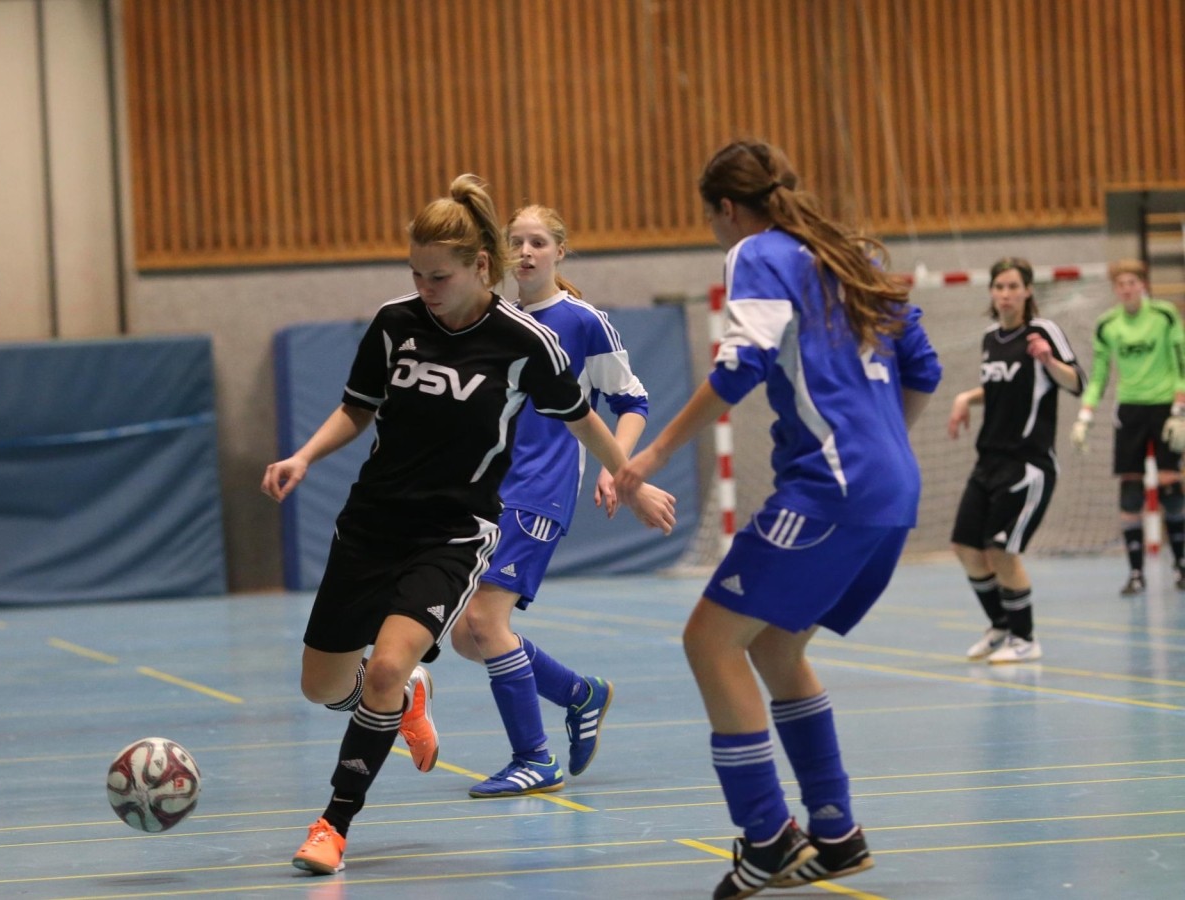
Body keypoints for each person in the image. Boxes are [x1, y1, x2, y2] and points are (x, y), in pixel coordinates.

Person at [262, 175, 677, 876]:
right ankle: (405, 699)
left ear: (480, 268)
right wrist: (303, 455)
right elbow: (358, 409)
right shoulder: (395, 323)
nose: (426, 287)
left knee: (390, 664)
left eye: (440, 276)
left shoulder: (527, 341)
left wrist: (630, 483)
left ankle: (333, 825)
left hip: (454, 532)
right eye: (417, 274)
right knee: (325, 687)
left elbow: (584, 417)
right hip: (370, 525)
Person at [615, 140, 941, 899]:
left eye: (711, 219)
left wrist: (655, 451)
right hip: (892, 490)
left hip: (832, 490)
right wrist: (883, 448)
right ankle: (836, 831)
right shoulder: (845, 254)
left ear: (727, 209)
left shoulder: (758, 252)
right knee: (776, 650)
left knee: (708, 640)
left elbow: (740, 367)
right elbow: (922, 368)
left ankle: (765, 836)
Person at [446, 205, 648, 798]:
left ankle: (533, 758)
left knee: (487, 621)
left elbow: (632, 402)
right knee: (467, 636)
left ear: (560, 251)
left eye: (538, 242)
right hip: (489, 492)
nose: (526, 252)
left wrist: (621, 470)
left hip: (541, 488)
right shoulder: (495, 320)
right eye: (516, 242)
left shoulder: (583, 322)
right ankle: (580, 693)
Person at [947, 258, 1085, 664]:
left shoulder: (1043, 332)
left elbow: (1077, 383)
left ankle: (1025, 639)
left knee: (1002, 550)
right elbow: (1001, 386)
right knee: (966, 547)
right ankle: (1000, 626)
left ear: (1027, 291)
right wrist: (965, 398)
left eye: (1013, 286)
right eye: (999, 287)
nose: (1005, 294)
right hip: (988, 460)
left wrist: (1049, 360)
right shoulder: (991, 338)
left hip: (1028, 463)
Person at [1071, 259, 1185, 595]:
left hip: (1165, 406)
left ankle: (1181, 566)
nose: (1127, 289)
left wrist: (1179, 409)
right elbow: (1101, 376)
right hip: (1130, 410)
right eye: (1120, 284)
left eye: (1132, 282)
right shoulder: (1108, 325)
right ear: (1115, 289)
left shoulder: (1164, 316)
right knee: (1131, 489)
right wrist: (1085, 416)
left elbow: (1181, 364)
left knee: (1170, 483)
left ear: (1143, 284)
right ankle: (1136, 573)